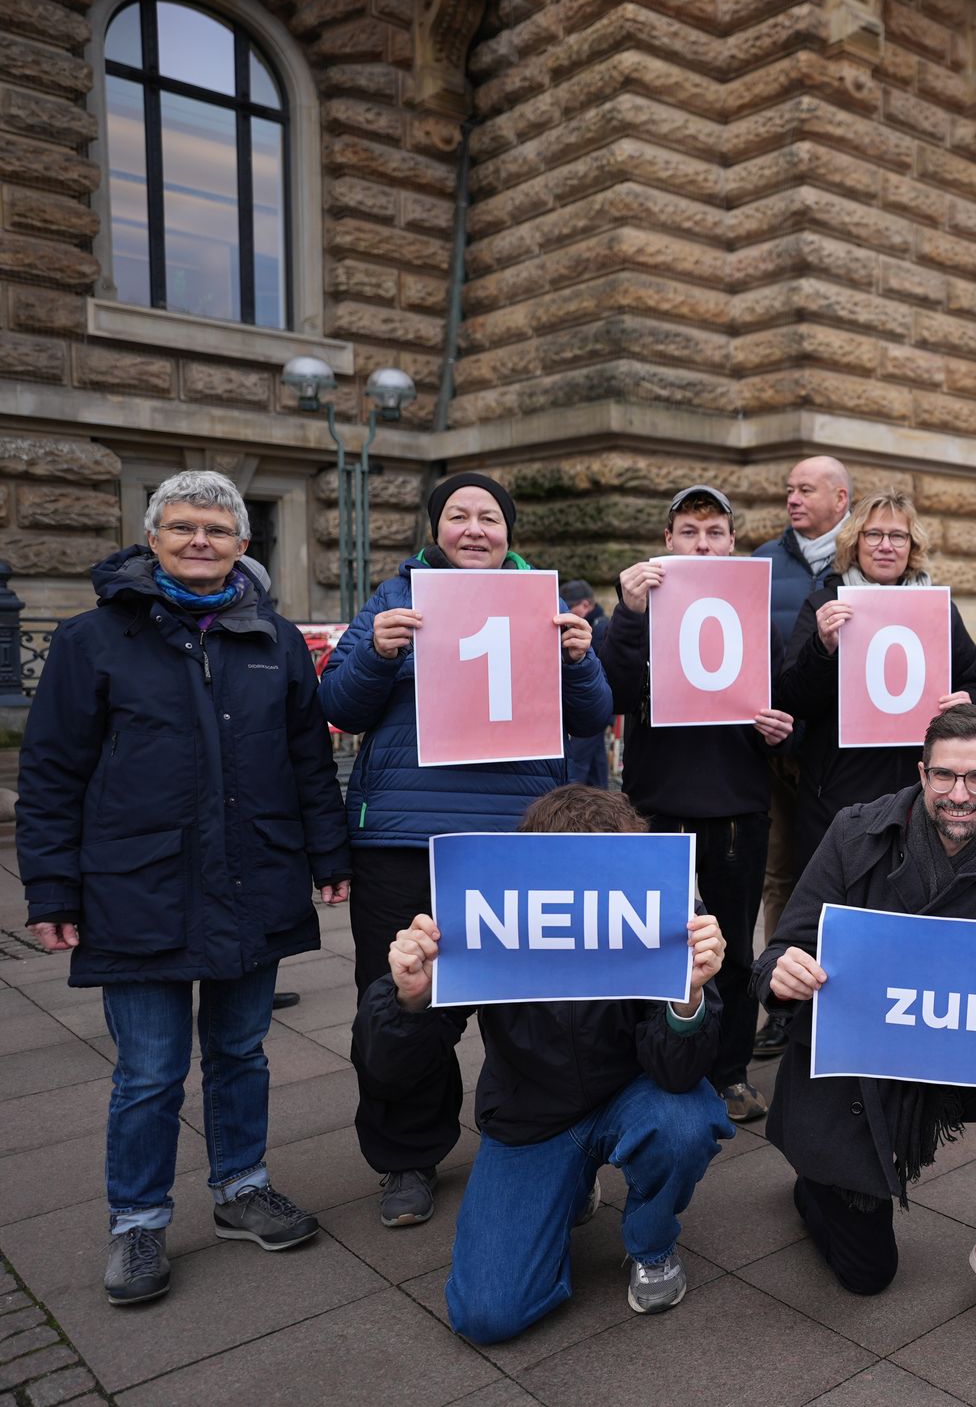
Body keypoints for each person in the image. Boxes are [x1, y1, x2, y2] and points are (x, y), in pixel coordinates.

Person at [17, 471, 349, 1306]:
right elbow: (53, 773)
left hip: (254, 874)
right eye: (182, 527)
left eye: (217, 528)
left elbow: (311, 761)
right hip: (138, 886)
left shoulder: (272, 640)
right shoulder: (92, 639)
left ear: (243, 544)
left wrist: (328, 853)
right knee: (150, 1072)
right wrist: (52, 888)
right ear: (152, 538)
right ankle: (137, 1222)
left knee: (241, 1051)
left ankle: (242, 1186)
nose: (200, 540)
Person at [319, 471, 613, 1227]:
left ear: (509, 532)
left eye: (489, 516)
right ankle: (407, 1157)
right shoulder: (393, 598)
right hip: (406, 839)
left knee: (534, 1004)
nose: (475, 528)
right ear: (435, 528)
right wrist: (378, 654)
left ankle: (547, 1147)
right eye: (459, 515)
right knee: (400, 997)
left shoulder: (545, 605)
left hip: (518, 835)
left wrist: (582, 657)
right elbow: (340, 706)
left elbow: (591, 717)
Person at [752, 705, 976, 1342]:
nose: (958, 794)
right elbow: (782, 947)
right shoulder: (855, 834)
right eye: (944, 776)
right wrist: (781, 971)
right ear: (921, 773)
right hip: (855, 1065)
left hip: (947, 1057)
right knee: (867, 1274)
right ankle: (816, 1185)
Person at [355, 786, 734, 1342]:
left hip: (637, 1097)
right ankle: (568, 1186)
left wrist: (687, 1001)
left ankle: (652, 1244)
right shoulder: (489, 908)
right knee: (488, 1314)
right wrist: (408, 1000)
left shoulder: (669, 907)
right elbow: (391, 1071)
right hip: (529, 1116)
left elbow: (679, 1074)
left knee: (685, 1119)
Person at [600, 484, 797, 1124]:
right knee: (660, 946)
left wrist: (775, 729)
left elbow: (777, 702)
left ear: (732, 542)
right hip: (659, 809)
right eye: (690, 531)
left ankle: (730, 1070)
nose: (702, 543)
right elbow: (610, 696)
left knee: (735, 954)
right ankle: (657, 1057)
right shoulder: (641, 608)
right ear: (668, 540)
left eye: (714, 533)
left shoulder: (752, 613)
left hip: (738, 811)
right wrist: (627, 615)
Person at [775, 489, 976, 877]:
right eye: (873, 535)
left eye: (897, 536)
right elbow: (793, 697)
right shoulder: (825, 604)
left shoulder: (938, 610)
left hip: (918, 793)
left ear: (912, 546)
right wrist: (823, 647)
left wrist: (969, 700)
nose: (885, 546)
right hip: (837, 794)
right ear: (855, 543)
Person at [753, 456, 853, 1059]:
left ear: (841, 499)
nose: (793, 498)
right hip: (771, 745)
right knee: (779, 874)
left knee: (841, 872)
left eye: (806, 489)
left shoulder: (864, 559)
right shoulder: (762, 561)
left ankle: (843, 991)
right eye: (788, 489)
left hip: (838, 752)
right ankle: (781, 999)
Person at [559, 580, 613, 789]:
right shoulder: (600, 623)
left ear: (584, 605)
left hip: (594, 698)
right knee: (597, 763)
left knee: (579, 765)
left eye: (572, 607)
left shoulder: (599, 627)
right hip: (596, 700)